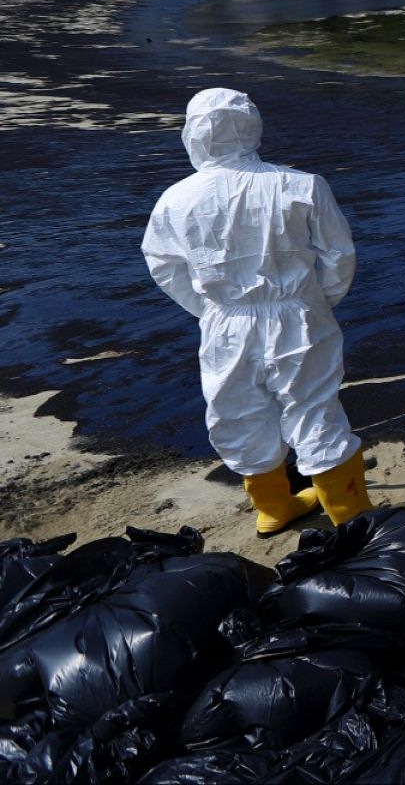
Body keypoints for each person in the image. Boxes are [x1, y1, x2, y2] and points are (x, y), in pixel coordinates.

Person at [142, 88, 372, 536]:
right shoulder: (301, 184)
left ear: (192, 135)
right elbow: (338, 254)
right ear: (252, 127)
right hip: (298, 315)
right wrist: (319, 301)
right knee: (313, 407)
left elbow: (164, 266)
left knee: (239, 410)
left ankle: (272, 508)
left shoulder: (175, 198)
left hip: (225, 322)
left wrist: (208, 309)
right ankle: (351, 517)